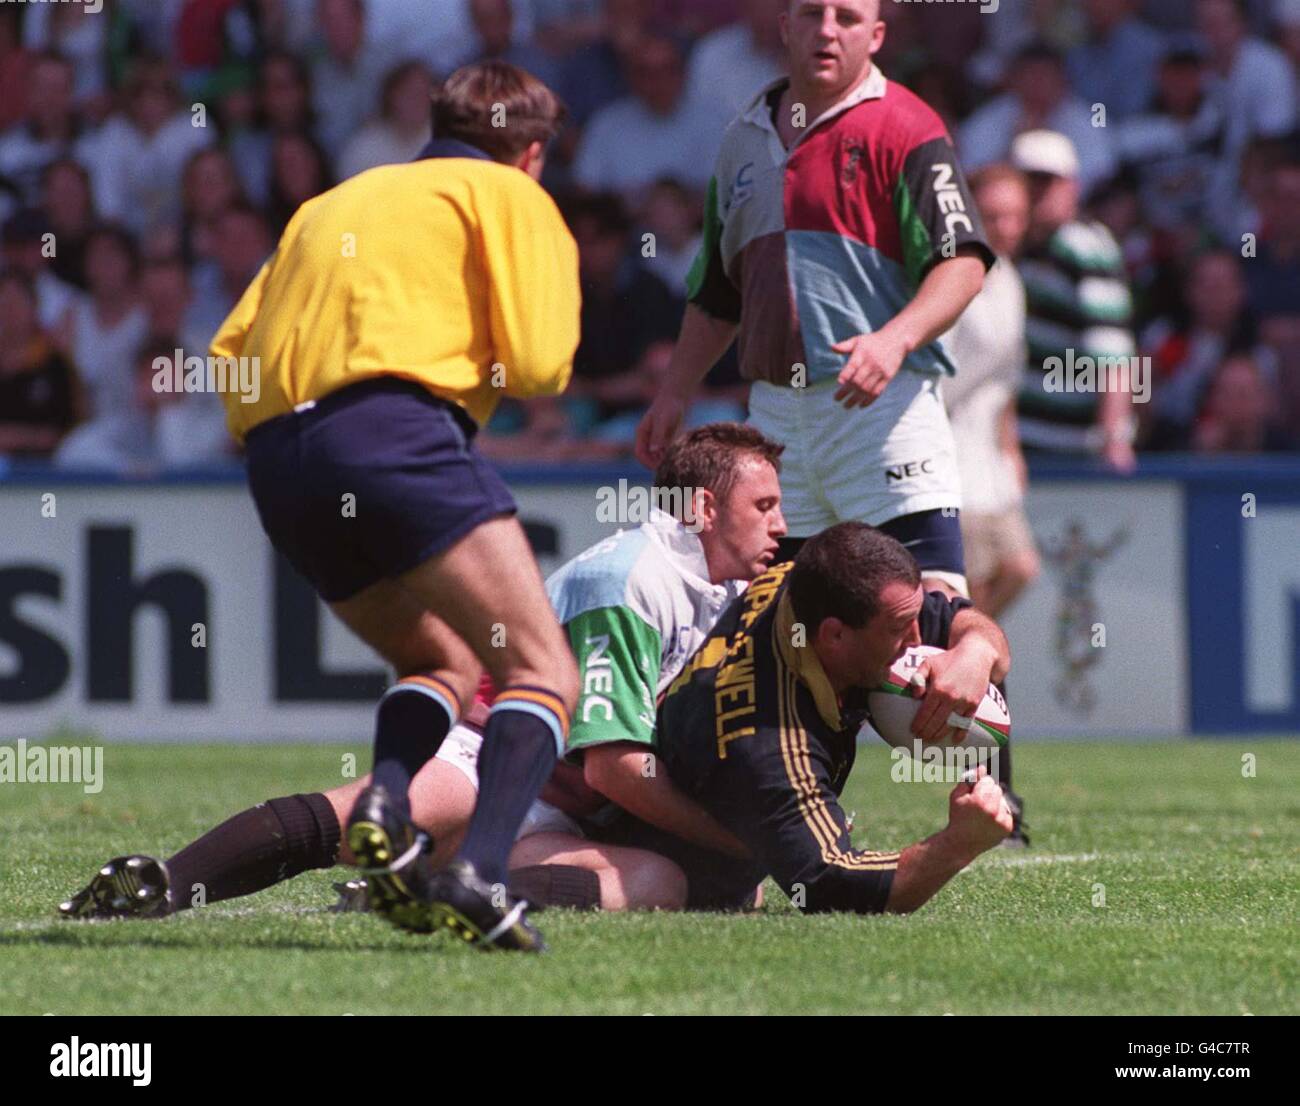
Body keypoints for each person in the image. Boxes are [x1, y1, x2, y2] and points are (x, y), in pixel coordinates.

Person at [60, 424, 789, 918]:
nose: (780, 525)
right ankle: (161, 882)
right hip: (494, 754)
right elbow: (614, 770)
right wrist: (747, 840)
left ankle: (407, 895)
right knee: (375, 819)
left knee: (659, 885)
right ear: (702, 507)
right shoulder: (632, 581)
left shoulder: (724, 587)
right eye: (765, 505)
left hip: (565, 804)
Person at [205, 61, 579, 952]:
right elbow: (537, 364)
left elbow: (230, 355)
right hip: (397, 434)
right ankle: (482, 875)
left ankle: (385, 798)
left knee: (443, 658)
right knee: (544, 671)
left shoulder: (331, 204)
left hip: (279, 458)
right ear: (531, 153)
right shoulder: (508, 194)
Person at [637, 0, 993, 597]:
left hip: (884, 412)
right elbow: (717, 293)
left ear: (877, 35)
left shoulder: (909, 125)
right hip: (776, 417)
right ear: (784, 27)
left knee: (925, 613)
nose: (827, 29)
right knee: (786, 625)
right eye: (811, 13)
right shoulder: (741, 138)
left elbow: (963, 261)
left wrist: (893, 339)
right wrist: (674, 390)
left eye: (847, 18)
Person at [647, 522, 1015, 914]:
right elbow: (830, 883)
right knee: (671, 886)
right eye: (898, 628)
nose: (916, 638)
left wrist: (975, 652)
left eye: (917, 616)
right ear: (834, 636)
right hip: (656, 858)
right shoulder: (768, 745)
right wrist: (960, 843)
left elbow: (968, 623)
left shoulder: (814, 583)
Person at [942, 165, 1040, 619]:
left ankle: (961, 664)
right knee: (971, 588)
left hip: (991, 468)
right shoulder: (948, 277)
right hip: (951, 468)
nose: (1007, 228)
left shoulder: (1012, 281)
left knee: (1022, 569)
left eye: (1016, 216)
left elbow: (1006, 382)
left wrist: (1011, 450)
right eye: (995, 215)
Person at [1011, 129, 1138, 470]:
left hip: (1068, 451)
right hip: (1015, 445)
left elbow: (1114, 356)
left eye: (1048, 182)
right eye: (1029, 181)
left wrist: (1114, 439)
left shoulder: (1085, 249)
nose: (1038, 193)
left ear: (1073, 187)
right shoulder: (1013, 247)